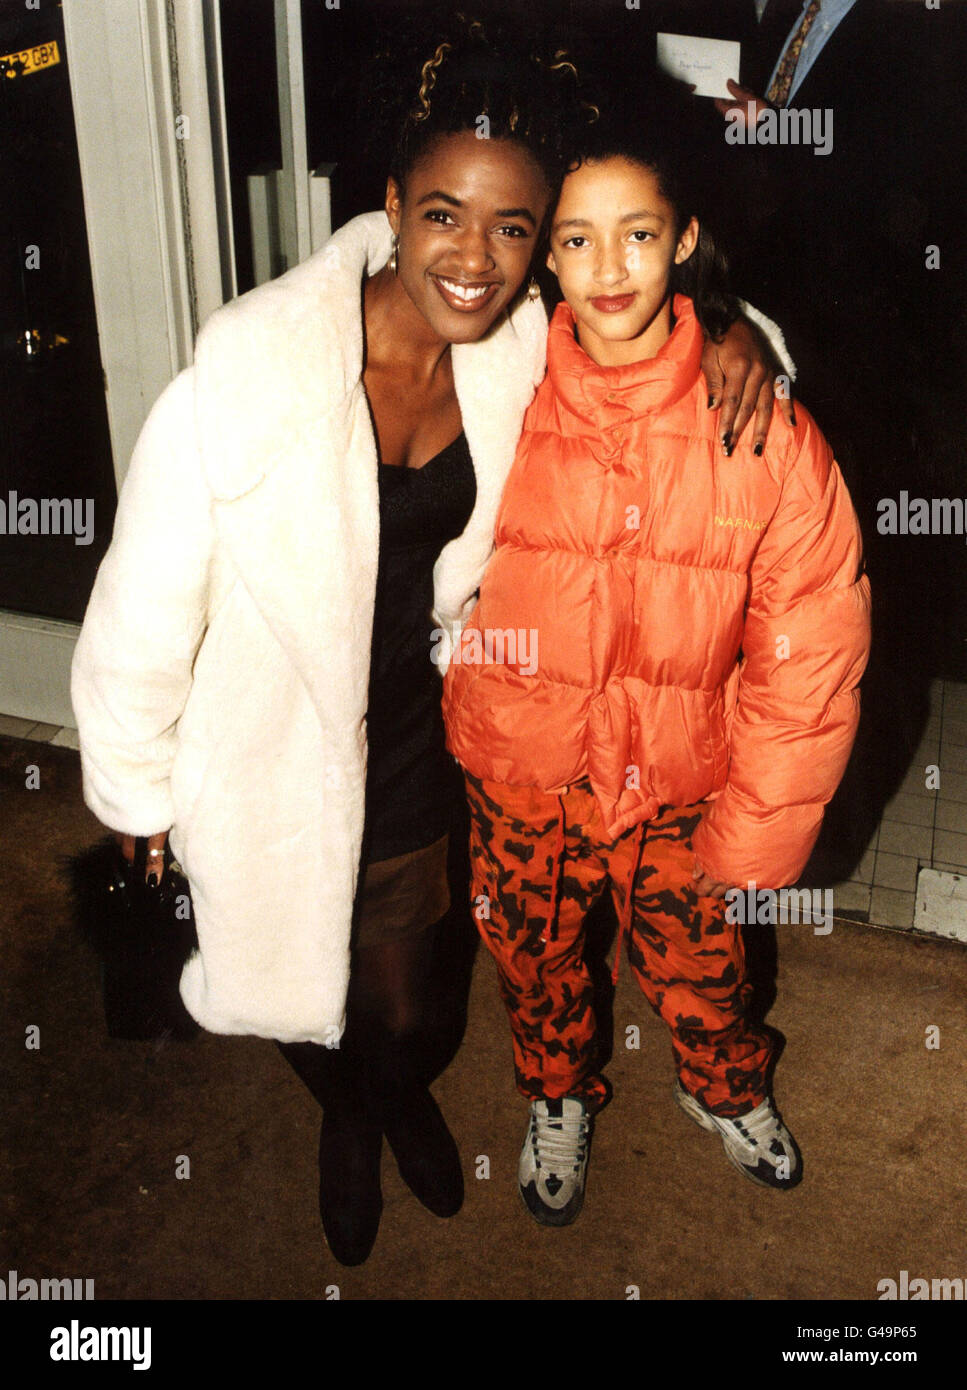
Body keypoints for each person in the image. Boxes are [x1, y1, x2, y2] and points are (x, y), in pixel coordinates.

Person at [71, 16, 791, 1266]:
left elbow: (649, 323)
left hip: (415, 735)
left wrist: (729, 329)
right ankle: (347, 1117)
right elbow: (139, 607)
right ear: (392, 203)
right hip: (261, 738)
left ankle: (389, 1084)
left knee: (415, 1007)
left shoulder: (526, 349)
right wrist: (130, 792)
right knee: (288, 972)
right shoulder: (244, 372)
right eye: (446, 214)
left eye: (515, 228)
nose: (476, 257)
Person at [443, 91, 871, 1227]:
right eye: (574, 239)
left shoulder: (759, 422)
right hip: (522, 764)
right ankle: (555, 1093)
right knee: (532, 961)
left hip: (681, 778)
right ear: (541, 256)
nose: (606, 268)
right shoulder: (498, 392)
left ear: (684, 239)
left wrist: (759, 828)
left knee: (706, 970)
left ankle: (723, 1087)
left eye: (637, 233)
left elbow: (812, 637)